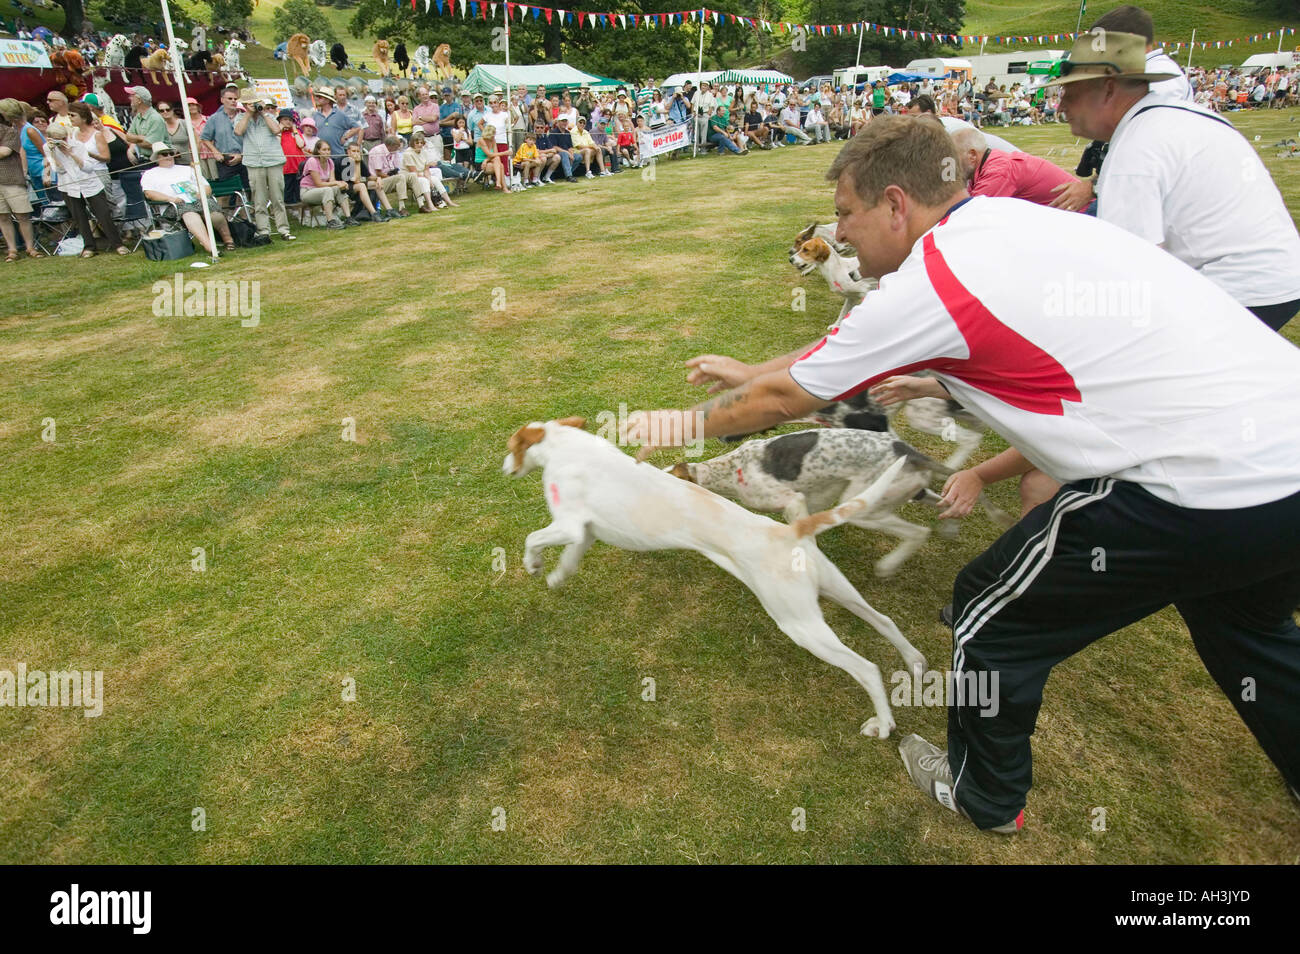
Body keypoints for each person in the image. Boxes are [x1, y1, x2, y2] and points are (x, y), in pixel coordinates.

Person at [627, 115, 1300, 833]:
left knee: (992, 615)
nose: (841, 234)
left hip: (1199, 481)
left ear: (894, 204)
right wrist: (760, 367)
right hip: (1282, 452)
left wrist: (675, 423)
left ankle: (983, 794)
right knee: (1246, 625)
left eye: (847, 215)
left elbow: (785, 400)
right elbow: (856, 342)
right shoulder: (998, 225)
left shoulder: (935, 282)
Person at [1050, 31, 1300, 330]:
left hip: (1237, 286)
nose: (1061, 105)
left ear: (1108, 89)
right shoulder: (1174, 116)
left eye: (1069, 92)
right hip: (1270, 274)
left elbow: (1131, 268)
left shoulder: (1136, 145)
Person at [140, 140, 236, 254]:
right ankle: (210, 247)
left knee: (214, 213)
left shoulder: (187, 169)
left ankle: (229, 240)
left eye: (171, 153)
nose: (169, 156)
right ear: (157, 157)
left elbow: (206, 187)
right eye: (165, 154)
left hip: (196, 200)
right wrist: (171, 199)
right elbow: (149, 193)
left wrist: (202, 193)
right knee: (190, 214)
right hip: (174, 205)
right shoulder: (150, 174)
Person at [950, 127, 1075, 204]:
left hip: (1079, 213)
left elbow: (970, 214)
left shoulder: (998, 171)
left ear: (972, 155)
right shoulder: (984, 166)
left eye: (953, 156)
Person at [235, 90, 292, 243]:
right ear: (245, 105)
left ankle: (283, 229)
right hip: (254, 163)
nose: (253, 106)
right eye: (249, 103)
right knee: (259, 199)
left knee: (277, 197)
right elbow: (238, 131)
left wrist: (264, 113)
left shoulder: (269, 116)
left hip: (273, 160)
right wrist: (248, 114)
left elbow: (276, 130)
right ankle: (263, 231)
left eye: (255, 102)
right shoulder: (240, 118)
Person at [0, 99, 39, 261]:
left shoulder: (10, 131)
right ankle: (12, 249)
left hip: (12, 179)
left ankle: (30, 247)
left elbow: (4, 152)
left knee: (22, 215)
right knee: (2, 216)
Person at [200, 84, 249, 193]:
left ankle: (249, 210)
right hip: (226, 161)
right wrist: (215, 152)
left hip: (246, 158)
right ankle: (228, 210)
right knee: (228, 192)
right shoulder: (214, 118)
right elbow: (205, 138)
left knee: (249, 190)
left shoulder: (244, 117)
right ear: (222, 100)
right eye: (230, 98)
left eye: (235, 99)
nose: (233, 101)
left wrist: (242, 155)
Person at [299, 139, 352, 228]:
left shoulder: (330, 162)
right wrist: (337, 182)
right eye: (324, 150)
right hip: (308, 191)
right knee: (328, 190)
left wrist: (341, 184)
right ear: (318, 151)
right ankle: (330, 221)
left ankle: (348, 218)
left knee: (337, 189)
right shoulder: (312, 161)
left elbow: (332, 181)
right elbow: (318, 184)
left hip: (321, 190)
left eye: (328, 149)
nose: (327, 152)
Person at [340, 141, 391, 222]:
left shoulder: (359, 160)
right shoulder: (344, 161)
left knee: (375, 184)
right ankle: (374, 214)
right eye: (353, 151)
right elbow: (356, 181)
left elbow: (369, 176)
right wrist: (357, 163)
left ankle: (389, 210)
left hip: (355, 186)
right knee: (361, 185)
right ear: (348, 152)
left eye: (358, 151)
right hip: (344, 188)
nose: (356, 153)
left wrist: (378, 178)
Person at [367, 136, 413, 216]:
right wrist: (391, 177)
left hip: (389, 178)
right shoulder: (378, 151)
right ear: (390, 146)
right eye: (397, 146)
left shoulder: (394, 152)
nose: (398, 148)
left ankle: (419, 204)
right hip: (377, 180)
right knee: (400, 178)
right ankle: (401, 208)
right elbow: (378, 173)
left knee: (410, 176)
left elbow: (397, 168)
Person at [121, 85, 165, 167]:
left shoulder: (155, 118)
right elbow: (128, 137)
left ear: (139, 100)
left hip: (157, 163)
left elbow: (150, 143)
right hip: (144, 161)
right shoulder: (138, 117)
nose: (129, 98)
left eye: (132, 96)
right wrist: (141, 138)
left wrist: (136, 142)